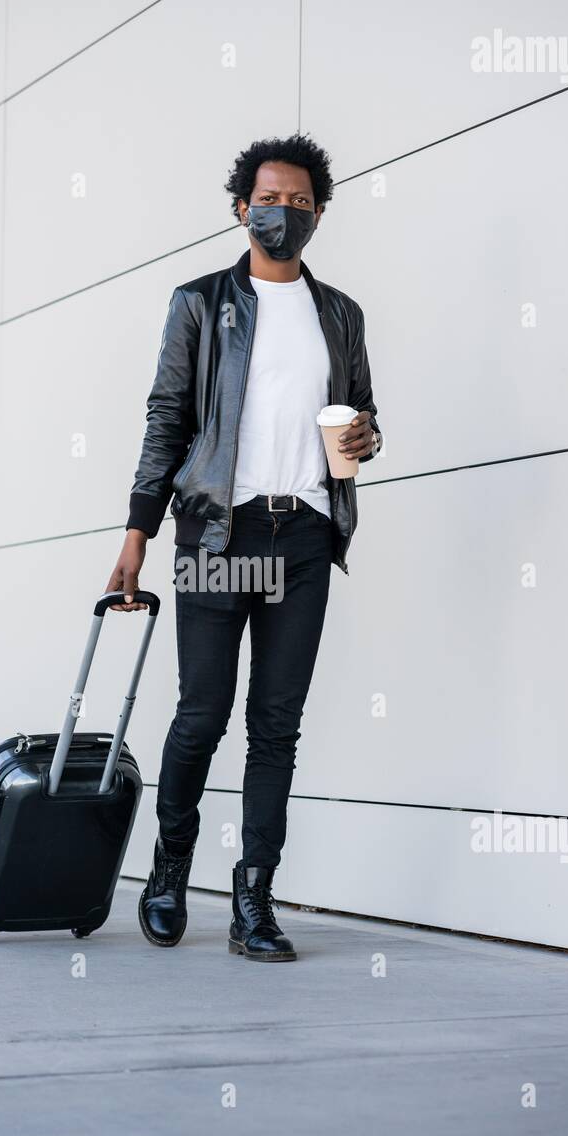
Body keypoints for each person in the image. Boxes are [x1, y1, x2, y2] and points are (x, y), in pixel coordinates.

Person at [105, 133, 382, 962]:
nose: (283, 213)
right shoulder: (198, 301)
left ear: (319, 216)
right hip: (218, 531)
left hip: (300, 530)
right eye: (270, 199)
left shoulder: (339, 313)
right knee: (201, 714)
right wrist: (137, 535)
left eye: (300, 203)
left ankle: (253, 899)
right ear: (240, 207)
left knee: (276, 724)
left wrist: (364, 438)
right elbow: (167, 420)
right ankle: (168, 869)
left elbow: (363, 413)